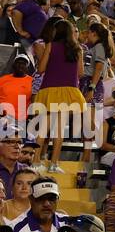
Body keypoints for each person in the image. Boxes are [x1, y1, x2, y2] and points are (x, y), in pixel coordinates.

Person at [31, 18, 85, 173]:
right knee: (60, 130)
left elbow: (41, 69)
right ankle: (54, 164)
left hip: (50, 89)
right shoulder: (78, 49)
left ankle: (35, 162)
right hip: (68, 90)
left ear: (57, 31)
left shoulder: (50, 46)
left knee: (44, 128)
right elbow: (80, 73)